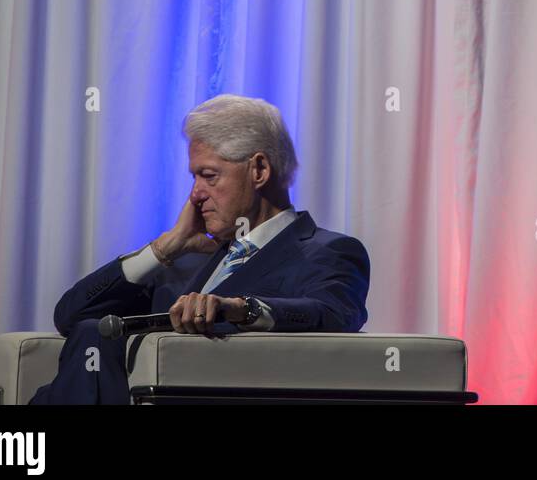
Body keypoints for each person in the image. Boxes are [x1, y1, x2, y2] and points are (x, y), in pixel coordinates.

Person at [28, 94, 369, 404]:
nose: (195, 194)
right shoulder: (187, 261)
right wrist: (165, 247)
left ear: (259, 170)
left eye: (209, 176)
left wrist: (239, 309)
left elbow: (333, 314)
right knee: (92, 332)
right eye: (194, 178)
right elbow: (71, 316)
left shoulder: (329, 251)